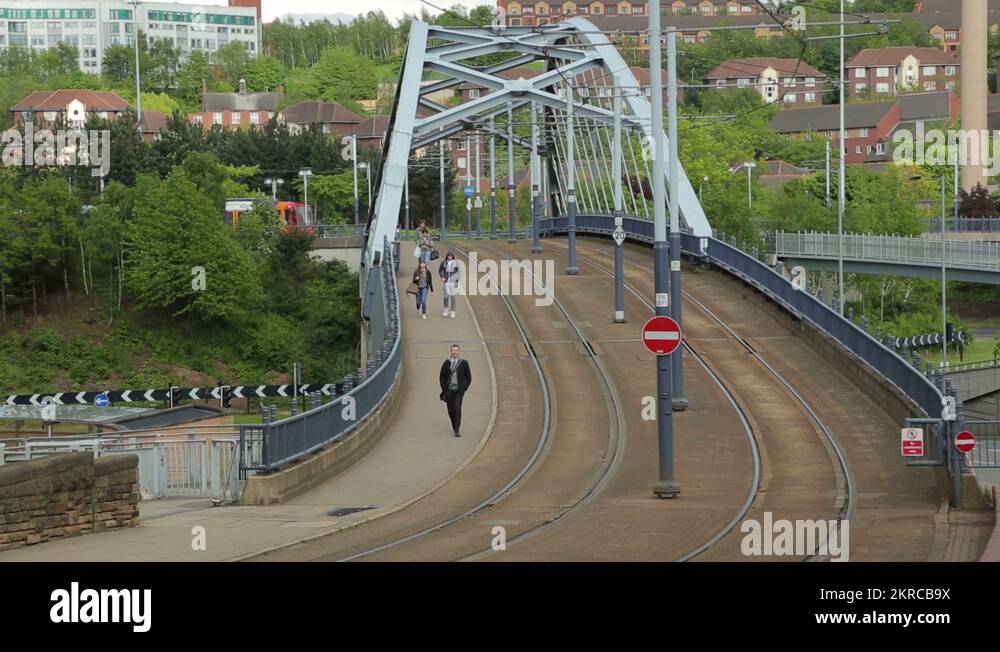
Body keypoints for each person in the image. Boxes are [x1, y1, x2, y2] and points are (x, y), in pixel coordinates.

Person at [439, 344, 472, 437]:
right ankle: (454, 425)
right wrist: (444, 388)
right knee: (451, 410)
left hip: (459, 392)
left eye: (456, 350)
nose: (455, 352)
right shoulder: (446, 363)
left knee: (457, 408)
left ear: (459, 351)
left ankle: (457, 430)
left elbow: (468, 377)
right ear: (451, 352)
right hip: (449, 391)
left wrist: (463, 388)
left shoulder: (464, 363)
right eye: (453, 350)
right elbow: (442, 377)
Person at [438, 251, 460, 318]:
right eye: (448, 256)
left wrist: (456, 282)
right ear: (447, 256)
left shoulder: (456, 263)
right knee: (446, 297)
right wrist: (442, 277)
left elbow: (458, 273)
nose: (450, 257)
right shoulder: (444, 263)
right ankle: (446, 309)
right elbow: (440, 270)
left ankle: (452, 311)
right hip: (446, 282)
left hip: (453, 282)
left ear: (453, 257)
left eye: (451, 256)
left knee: (453, 298)